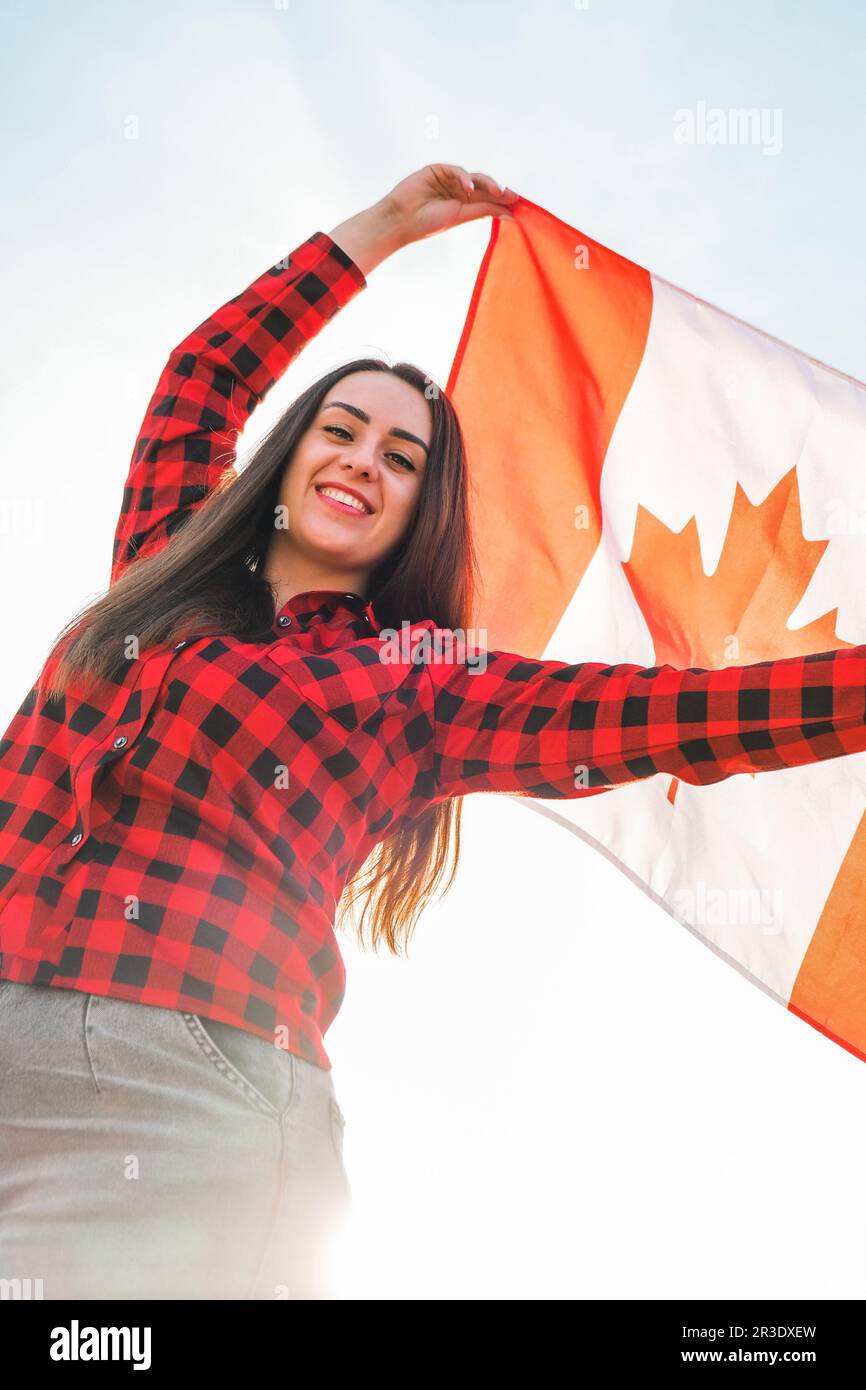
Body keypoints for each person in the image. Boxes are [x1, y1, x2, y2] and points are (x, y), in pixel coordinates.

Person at [0, 163, 864, 1301]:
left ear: (422, 510)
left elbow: (670, 718)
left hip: (180, 1096)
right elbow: (204, 375)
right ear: (286, 461)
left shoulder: (415, 681)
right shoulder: (162, 566)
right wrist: (386, 229)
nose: (361, 459)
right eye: (341, 429)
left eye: (399, 458)